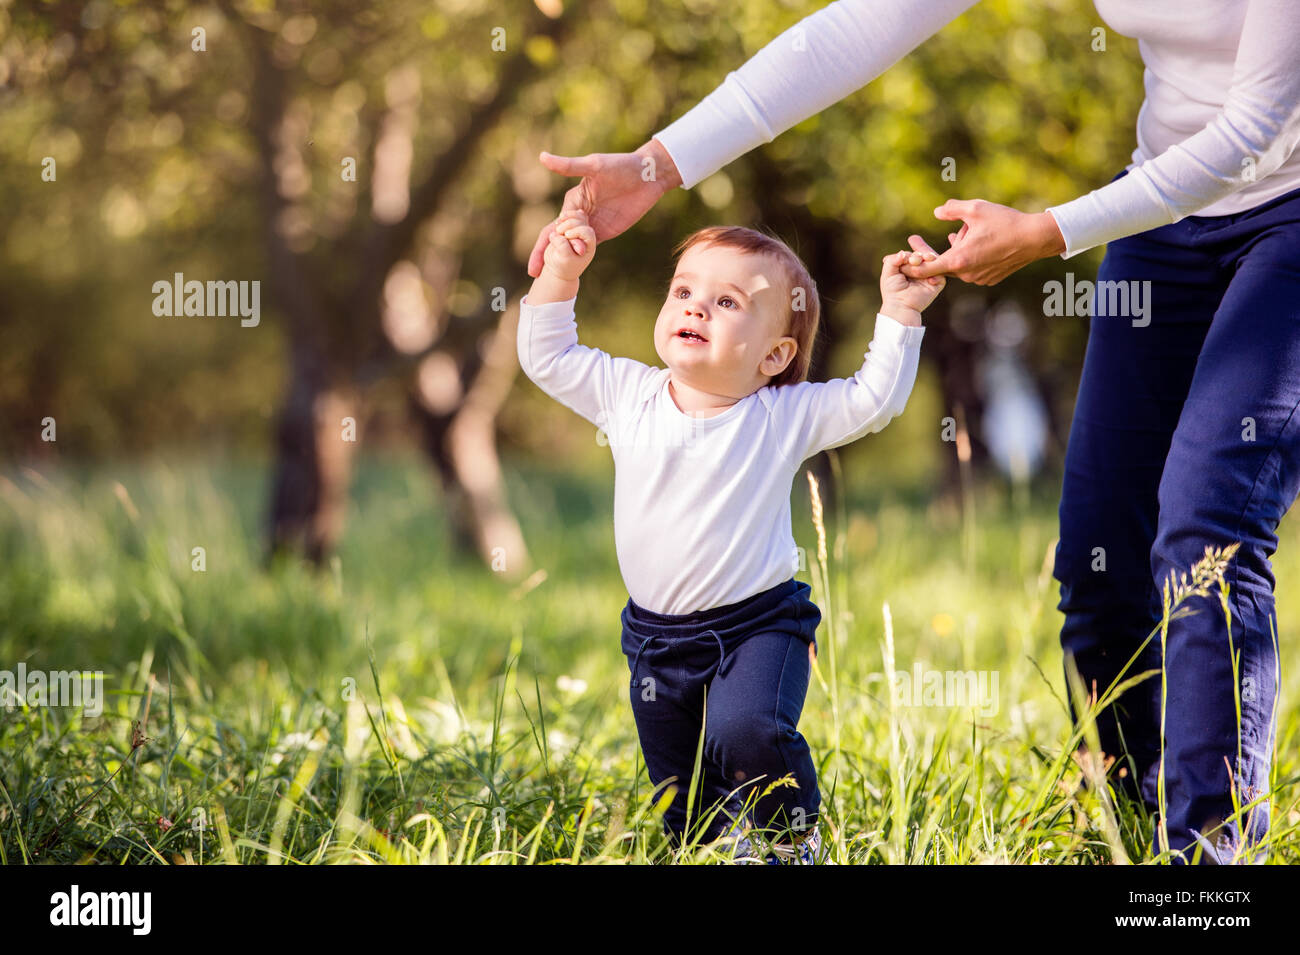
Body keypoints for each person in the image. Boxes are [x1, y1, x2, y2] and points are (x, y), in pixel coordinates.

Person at [525, 0, 1300, 863]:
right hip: (1163, 214)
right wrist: (657, 163)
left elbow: (1254, 127)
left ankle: (1207, 870)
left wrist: (1050, 232)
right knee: (1102, 550)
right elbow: (861, 25)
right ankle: (1125, 831)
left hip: (1291, 211)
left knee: (1206, 522)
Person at [518, 208, 944, 861]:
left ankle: (791, 840)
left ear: (774, 354)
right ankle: (722, 846)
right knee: (682, 802)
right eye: (684, 291)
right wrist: (560, 273)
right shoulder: (627, 394)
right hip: (657, 642)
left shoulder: (780, 415)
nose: (695, 308)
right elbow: (545, 353)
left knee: (749, 732)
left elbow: (871, 401)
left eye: (727, 301)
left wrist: (900, 314)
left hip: (759, 627)